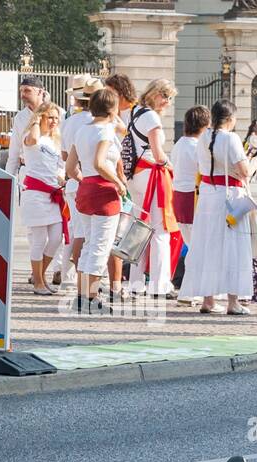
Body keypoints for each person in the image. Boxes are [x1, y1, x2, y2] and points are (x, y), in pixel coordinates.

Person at [183, 98, 254, 316]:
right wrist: (253, 158)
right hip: (228, 195)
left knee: (208, 244)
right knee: (232, 245)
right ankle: (233, 301)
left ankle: (208, 299)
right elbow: (245, 171)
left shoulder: (204, 136)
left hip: (207, 194)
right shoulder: (231, 139)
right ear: (231, 119)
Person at [65, 87, 126, 312]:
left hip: (86, 188)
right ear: (113, 109)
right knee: (101, 245)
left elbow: (70, 167)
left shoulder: (81, 130)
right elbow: (101, 163)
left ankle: (81, 296)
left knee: (90, 243)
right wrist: (118, 183)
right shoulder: (107, 131)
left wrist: (85, 180)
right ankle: (91, 297)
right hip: (104, 192)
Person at [124, 79, 178, 298]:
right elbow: (158, 154)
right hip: (152, 174)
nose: (167, 102)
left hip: (136, 175)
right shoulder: (152, 117)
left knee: (140, 228)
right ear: (156, 94)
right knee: (160, 231)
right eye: (165, 96)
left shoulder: (135, 112)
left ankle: (136, 283)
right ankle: (159, 284)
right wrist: (171, 166)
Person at [60, 76, 103, 290]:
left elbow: (65, 155)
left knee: (78, 232)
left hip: (74, 181)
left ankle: (76, 279)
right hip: (91, 180)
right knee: (91, 236)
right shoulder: (94, 123)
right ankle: (86, 281)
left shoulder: (68, 122)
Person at [19, 102, 67, 296]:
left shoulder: (56, 141)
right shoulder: (31, 137)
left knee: (56, 238)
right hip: (35, 195)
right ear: (40, 118)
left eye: (56, 118)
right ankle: (38, 282)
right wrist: (37, 122)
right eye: (50, 117)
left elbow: (59, 168)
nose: (54, 121)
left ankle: (39, 275)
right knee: (39, 240)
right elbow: (33, 138)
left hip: (52, 195)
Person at [102, 74, 137, 302]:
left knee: (109, 237)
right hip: (114, 181)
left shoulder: (128, 114)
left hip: (120, 178)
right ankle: (114, 285)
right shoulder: (111, 120)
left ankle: (110, 285)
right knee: (113, 237)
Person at [170, 105, 208, 301]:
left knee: (191, 245)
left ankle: (189, 288)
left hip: (178, 196)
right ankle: (193, 290)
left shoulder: (179, 144)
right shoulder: (197, 146)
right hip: (192, 197)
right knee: (198, 247)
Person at [4, 76, 48, 183]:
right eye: (21, 91)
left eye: (27, 90)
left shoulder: (56, 113)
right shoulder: (20, 117)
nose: (23, 94)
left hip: (50, 173)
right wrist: (7, 181)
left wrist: (60, 173)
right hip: (28, 174)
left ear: (40, 92)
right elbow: (14, 152)